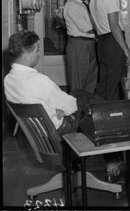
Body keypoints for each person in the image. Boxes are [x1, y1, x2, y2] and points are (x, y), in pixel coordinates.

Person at [4, 30, 123, 180]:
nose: (38, 54)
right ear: (26, 54)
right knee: (91, 104)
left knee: (81, 96)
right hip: (61, 133)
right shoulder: (39, 81)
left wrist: (55, 109)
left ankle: (112, 153)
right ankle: (114, 159)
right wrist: (61, 109)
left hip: (42, 136)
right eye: (37, 50)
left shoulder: (8, 80)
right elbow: (71, 106)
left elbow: (35, 102)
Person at [89, 0, 130, 101]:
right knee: (116, 84)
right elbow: (114, 26)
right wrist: (126, 51)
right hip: (113, 43)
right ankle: (115, 117)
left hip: (102, 43)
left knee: (104, 83)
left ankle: (98, 114)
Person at [63, 0, 98, 93]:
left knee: (90, 80)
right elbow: (87, 28)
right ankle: (78, 110)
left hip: (90, 44)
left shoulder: (84, 4)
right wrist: (104, 30)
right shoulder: (72, 5)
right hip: (79, 44)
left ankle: (88, 108)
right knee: (78, 82)